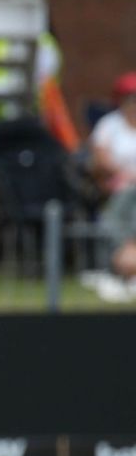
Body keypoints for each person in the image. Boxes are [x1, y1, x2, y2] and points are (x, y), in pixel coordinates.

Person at [88, 71, 136, 292]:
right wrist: (124, 175)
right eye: (131, 98)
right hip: (117, 185)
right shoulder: (109, 125)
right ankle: (124, 257)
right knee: (127, 194)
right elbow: (101, 158)